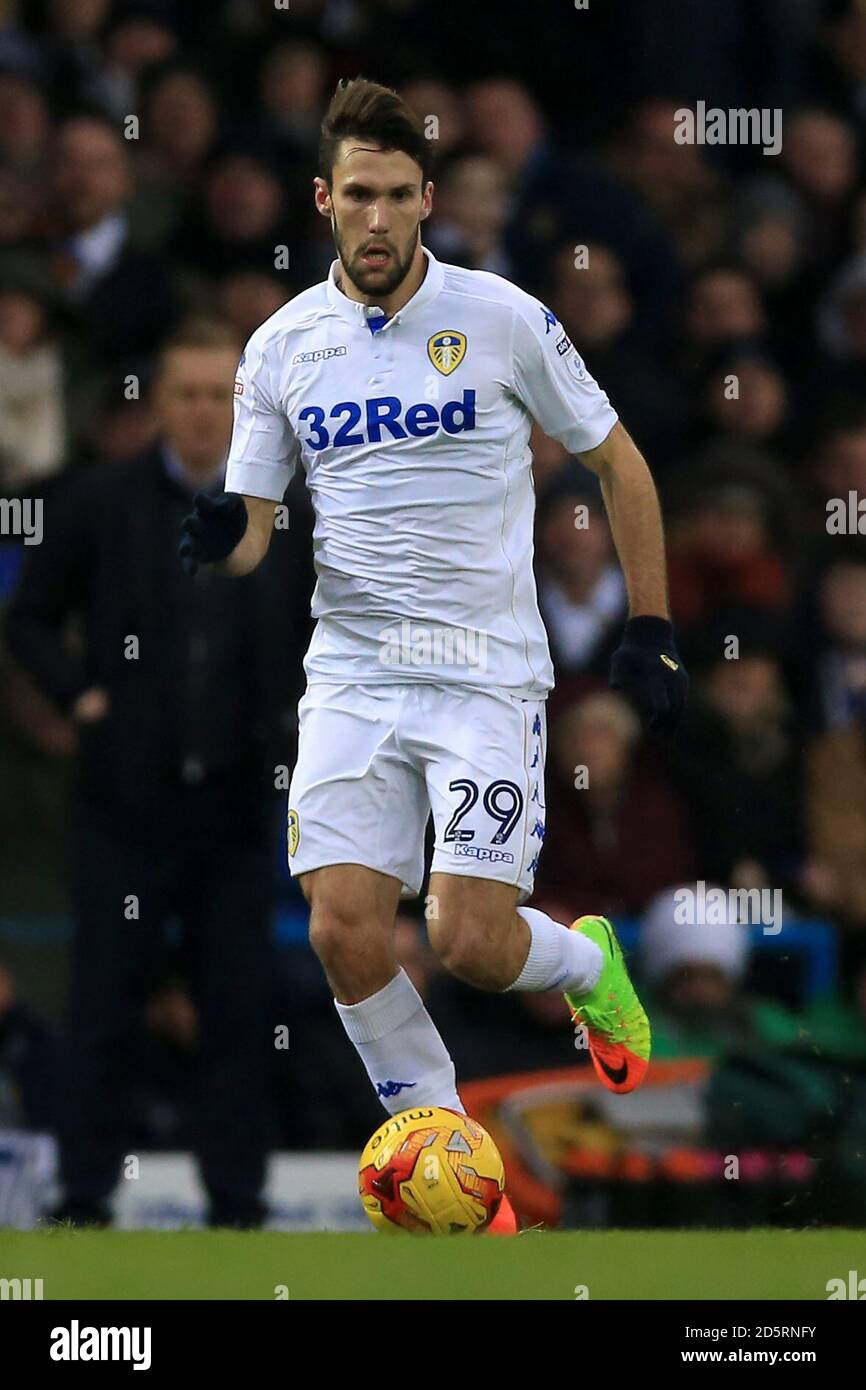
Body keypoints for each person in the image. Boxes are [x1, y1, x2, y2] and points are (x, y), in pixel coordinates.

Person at [179, 79, 689, 1232]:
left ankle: (584, 965)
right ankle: (457, 1167)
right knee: (339, 925)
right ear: (323, 199)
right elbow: (256, 530)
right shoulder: (281, 348)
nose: (375, 218)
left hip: (481, 671)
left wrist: (649, 630)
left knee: (465, 938)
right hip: (354, 671)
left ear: (426, 201)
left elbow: (619, 463)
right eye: (355, 194)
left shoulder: (501, 316)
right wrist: (226, 533)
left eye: (397, 196)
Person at [5, 317, 314, 1228]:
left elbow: (332, 629)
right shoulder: (101, 501)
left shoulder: (283, 511)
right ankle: (86, 1196)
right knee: (102, 1007)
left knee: (235, 1011)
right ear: (156, 402)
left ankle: (238, 1202)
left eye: (220, 395)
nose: (201, 413)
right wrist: (80, 697)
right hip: (123, 807)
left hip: (234, 807)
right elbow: (27, 618)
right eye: (184, 393)